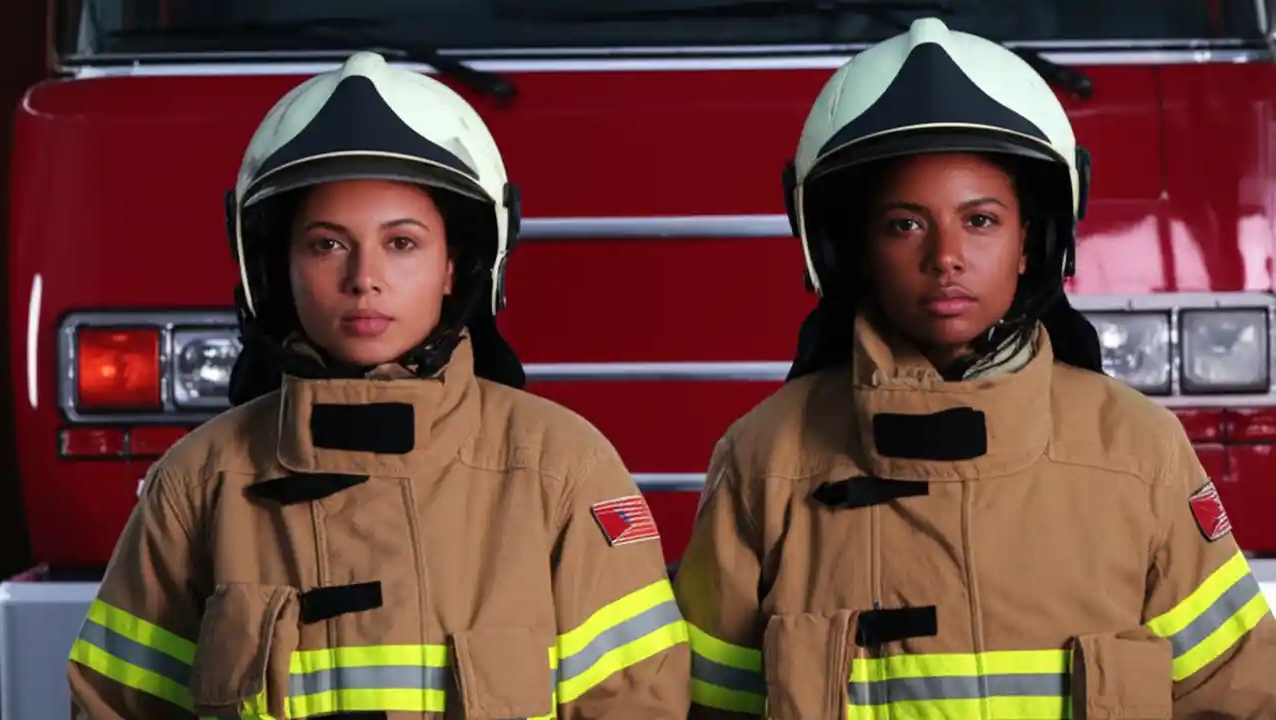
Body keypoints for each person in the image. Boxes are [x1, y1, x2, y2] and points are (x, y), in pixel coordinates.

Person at [674, 18, 1276, 719]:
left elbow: (1240, 694)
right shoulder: (766, 457)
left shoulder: (1140, 452)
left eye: (981, 220)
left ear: (1033, 242)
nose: (946, 256)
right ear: (850, 251)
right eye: (906, 223)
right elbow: (706, 705)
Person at [67, 51, 689, 719]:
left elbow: (638, 701)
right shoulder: (197, 484)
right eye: (327, 244)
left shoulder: (563, 471)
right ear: (276, 268)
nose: (365, 277)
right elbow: (115, 708)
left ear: (456, 266)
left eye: (402, 243)